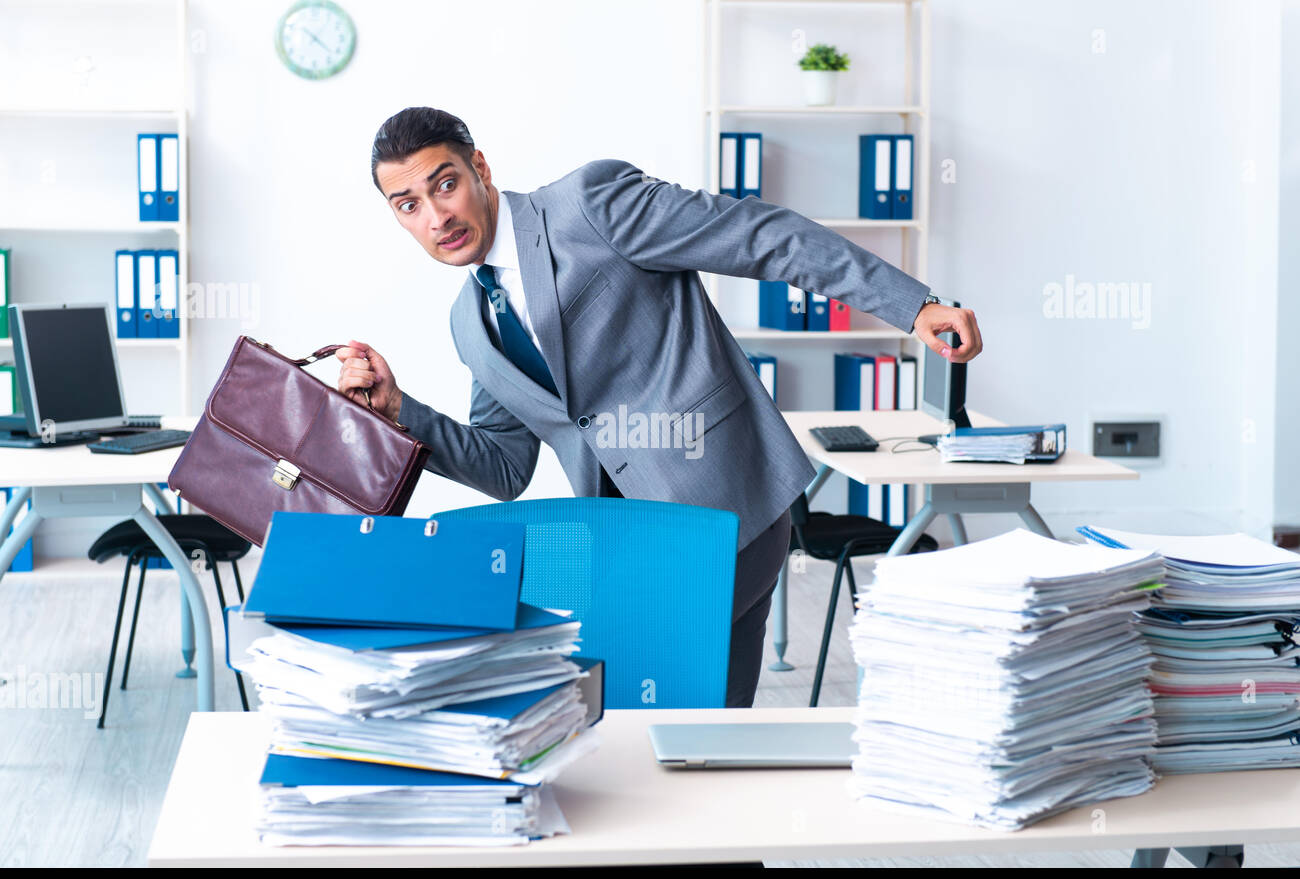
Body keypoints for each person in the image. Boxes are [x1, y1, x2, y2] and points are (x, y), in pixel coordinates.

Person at [337, 106, 983, 708]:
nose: (435, 216)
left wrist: (911, 305)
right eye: (408, 205)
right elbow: (503, 467)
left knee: (683, 721)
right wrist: (401, 411)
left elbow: (760, 236)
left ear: (479, 168)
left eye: (444, 185)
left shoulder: (589, 205)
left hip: (724, 504)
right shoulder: (470, 326)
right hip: (625, 543)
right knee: (668, 733)